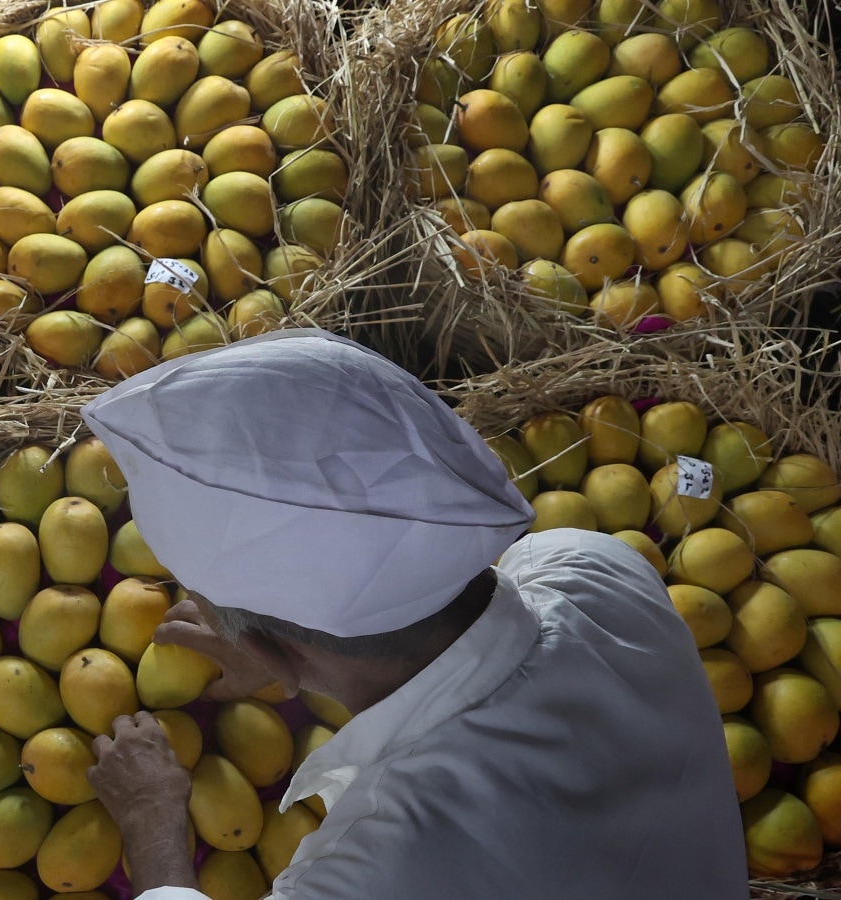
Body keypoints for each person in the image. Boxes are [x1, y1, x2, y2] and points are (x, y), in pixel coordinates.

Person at [80, 329, 746, 898]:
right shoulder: (597, 568)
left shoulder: (385, 869)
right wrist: (280, 649)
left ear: (279, 654)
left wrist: (153, 819)